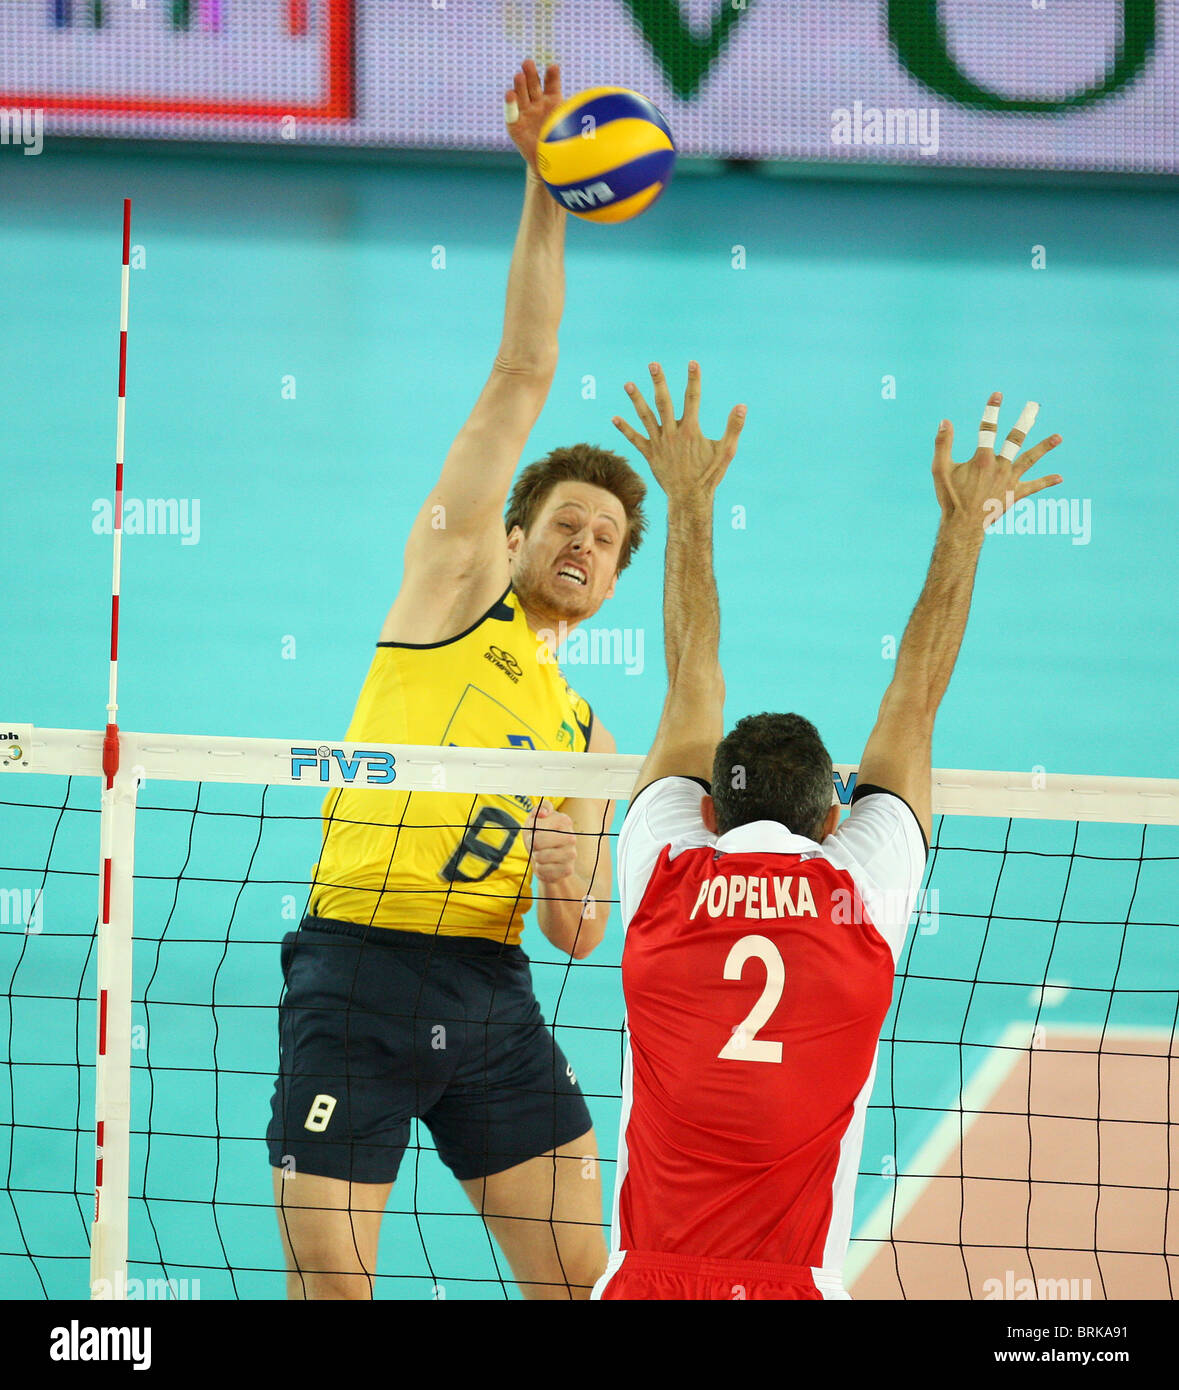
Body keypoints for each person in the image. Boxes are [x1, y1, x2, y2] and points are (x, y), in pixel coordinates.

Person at [266, 59, 647, 1301]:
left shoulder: (589, 729)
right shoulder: (452, 588)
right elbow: (522, 372)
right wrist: (547, 184)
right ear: (516, 532)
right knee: (333, 1279)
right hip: (359, 966)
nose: (585, 543)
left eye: (607, 540)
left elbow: (580, 931)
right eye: (567, 521)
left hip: (492, 994)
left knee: (580, 1277)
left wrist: (564, 874)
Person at [593, 365, 1062, 1300]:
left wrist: (688, 499)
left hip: (644, 1279)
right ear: (836, 816)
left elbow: (692, 680)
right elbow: (912, 701)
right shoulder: (863, 894)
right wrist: (964, 524)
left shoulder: (661, 875)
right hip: (791, 1285)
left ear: (710, 814)